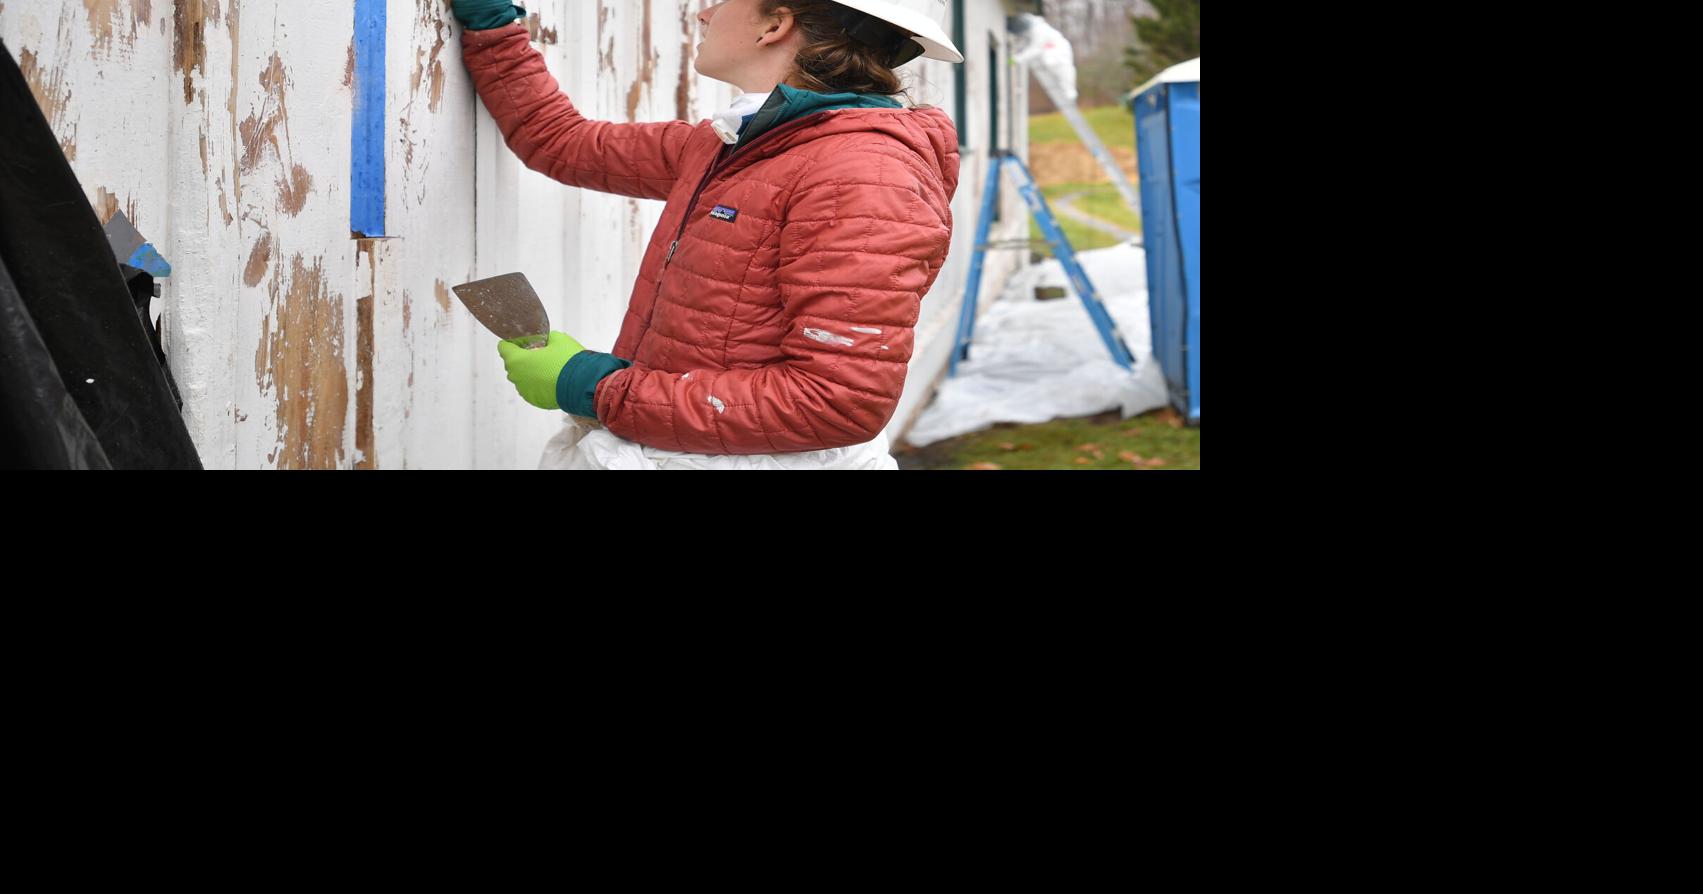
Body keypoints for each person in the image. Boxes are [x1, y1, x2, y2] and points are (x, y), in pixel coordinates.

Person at [454, 0, 963, 469]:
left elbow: (836, 403)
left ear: (775, 24)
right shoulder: (739, 144)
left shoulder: (864, 175)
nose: (704, 14)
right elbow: (563, 143)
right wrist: (495, 28)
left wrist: (595, 387)